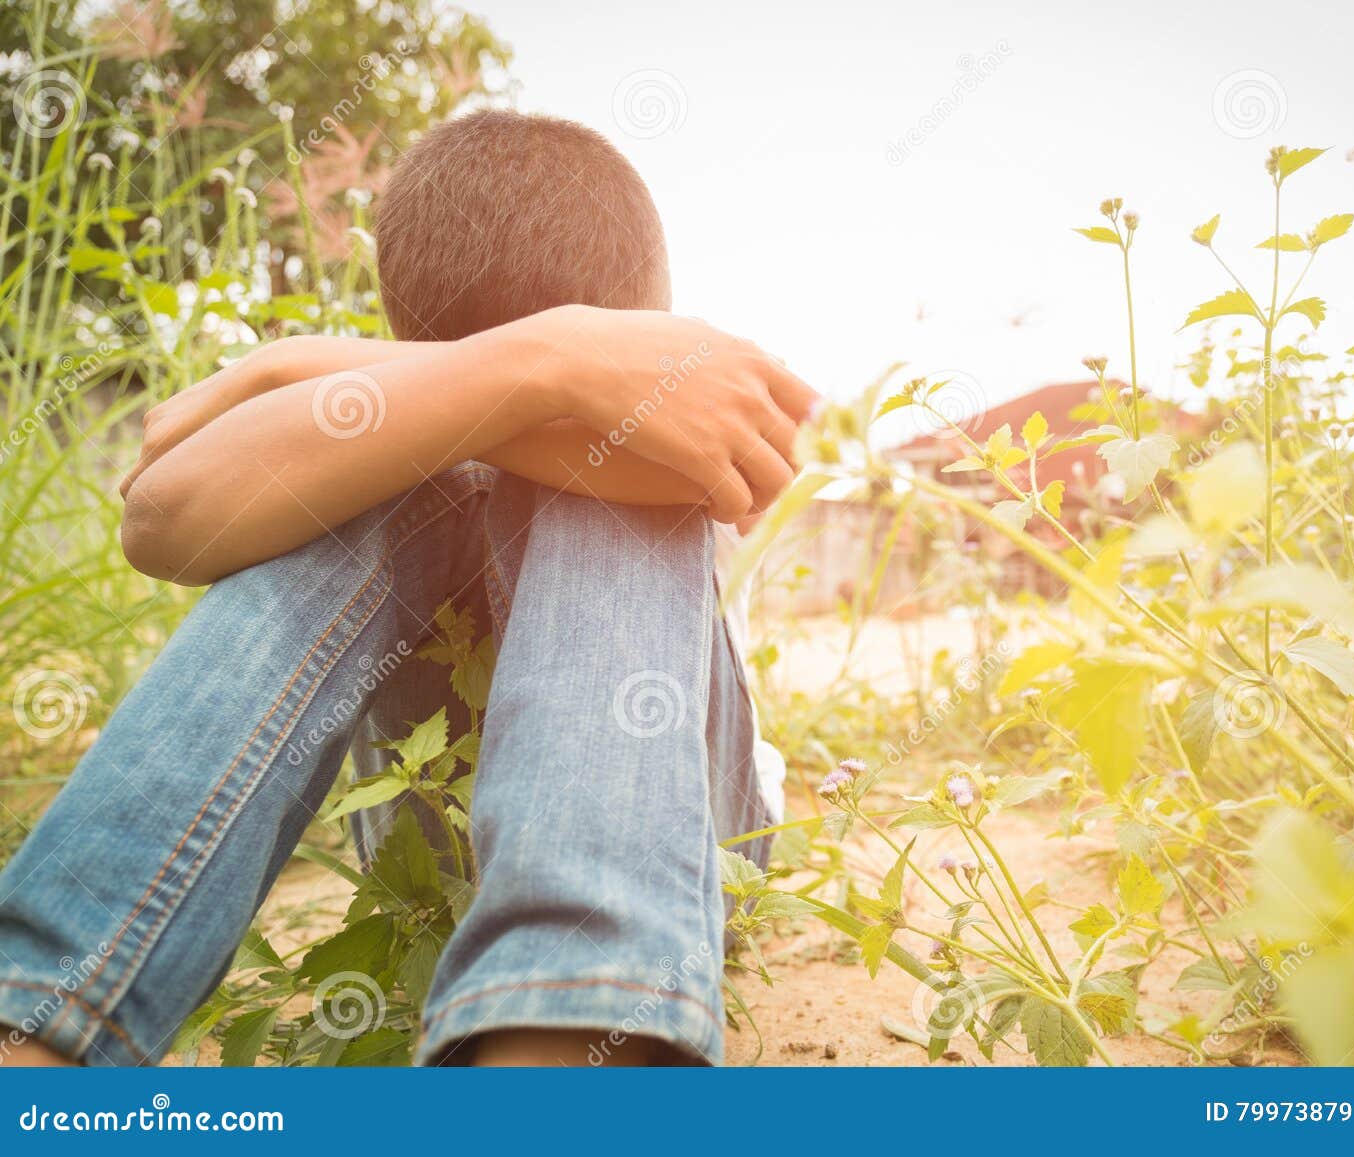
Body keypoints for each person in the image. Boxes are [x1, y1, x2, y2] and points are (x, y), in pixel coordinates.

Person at [0, 109, 814, 1067]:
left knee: (595, 474)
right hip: (428, 847)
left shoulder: (689, 403)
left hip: (699, 845)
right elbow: (161, 519)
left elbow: (707, 462)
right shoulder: (417, 410)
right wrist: (554, 360)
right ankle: (37, 1036)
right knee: (393, 466)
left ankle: (564, 1034)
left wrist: (294, 361)